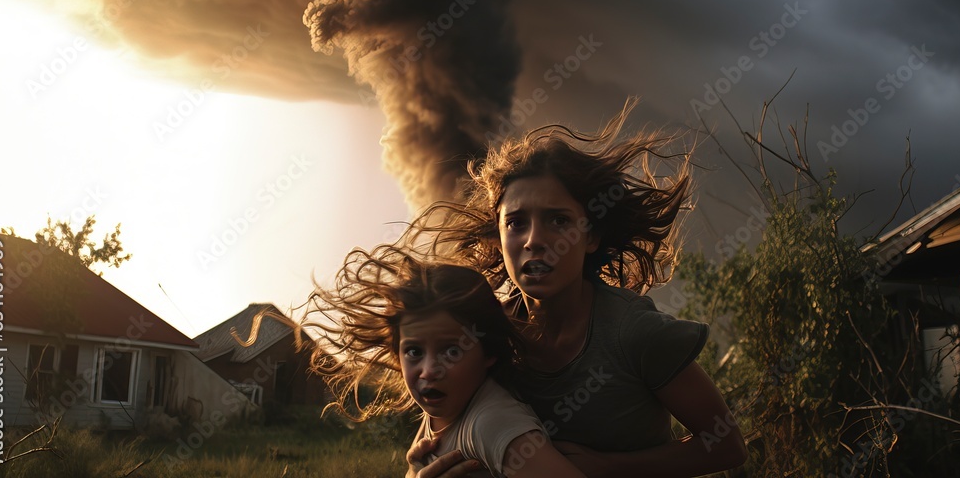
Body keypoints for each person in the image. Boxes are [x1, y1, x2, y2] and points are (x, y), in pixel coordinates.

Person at [405, 100, 748, 477]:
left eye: (558, 220)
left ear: (591, 237)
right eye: (516, 223)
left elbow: (726, 446)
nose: (534, 240)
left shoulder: (635, 334)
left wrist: (609, 468)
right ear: (498, 237)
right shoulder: (491, 335)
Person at [305, 244, 588, 478]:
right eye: (414, 351)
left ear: (488, 352)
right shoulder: (441, 411)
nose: (429, 371)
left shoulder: (492, 423)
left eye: (452, 351)